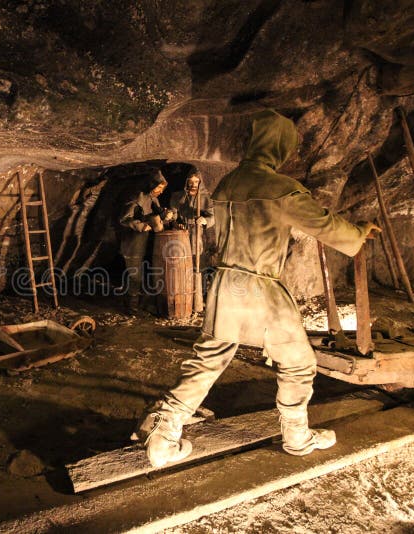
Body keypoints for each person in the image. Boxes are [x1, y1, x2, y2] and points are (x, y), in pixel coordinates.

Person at [133, 110, 381, 467]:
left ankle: (163, 434)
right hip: (262, 289)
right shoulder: (281, 188)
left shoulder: (228, 184)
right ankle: (297, 438)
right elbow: (327, 226)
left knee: (208, 359)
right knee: (297, 364)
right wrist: (359, 232)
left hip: (225, 285)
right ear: (279, 146)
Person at [118, 171, 169, 313]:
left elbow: (157, 214)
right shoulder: (136, 198)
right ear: (151, 185)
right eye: (158, 188)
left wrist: (165, 215)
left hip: (147, 242)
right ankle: (131, 306)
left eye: (162, 189)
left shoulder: (153, 199)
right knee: (135, 275)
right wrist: (141, 225)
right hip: (133, 243)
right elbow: (123, 218)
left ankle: (141, 303)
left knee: (145, 273)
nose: (160, 191)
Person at [169, 170, 215, 264]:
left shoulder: (207, 197)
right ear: (187, 182)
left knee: (197, 258)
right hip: (182, 231)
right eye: (191, 181)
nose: (193, 185)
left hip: (198, 231)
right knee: (181, 259)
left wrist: (205, 220)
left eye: (196, 182)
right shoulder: (179, 196)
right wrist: (176, 222)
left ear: (200, 182)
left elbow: (213, 217)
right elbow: (173, 216)